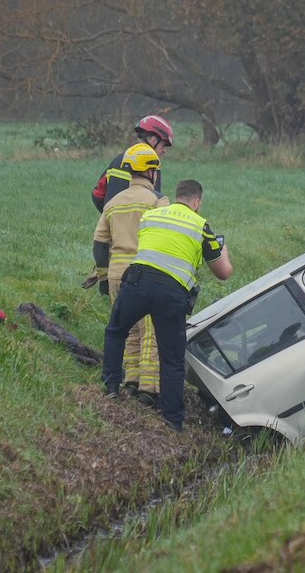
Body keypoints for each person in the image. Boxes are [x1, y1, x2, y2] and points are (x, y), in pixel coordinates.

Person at [102, 179, 233, 431]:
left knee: (116, 331)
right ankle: (172, 421)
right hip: (172, 295)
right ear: (197, 202)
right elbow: (223, 273)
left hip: (138, 282)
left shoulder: (152, 216)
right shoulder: (201, 225)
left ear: (177, 196)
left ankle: (110, 387)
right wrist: (223, 251)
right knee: (171, 358)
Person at [93, 144, 170, 406]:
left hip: (117, 275)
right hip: (144, 272)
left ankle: (131, 381)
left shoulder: (112, 203)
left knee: (126, 330)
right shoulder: (158, 202)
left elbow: (100, 245)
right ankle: (148, 390)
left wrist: (103, 277)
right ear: (150, 172)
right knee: (150, 330)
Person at [92, 115, 173, 212]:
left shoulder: (118, 160)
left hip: (114, 224)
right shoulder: (152, 167)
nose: (164, 151)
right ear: (154, 141)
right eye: (163, 145)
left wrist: (110, 215)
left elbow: (97, 194)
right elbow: (155, 205)